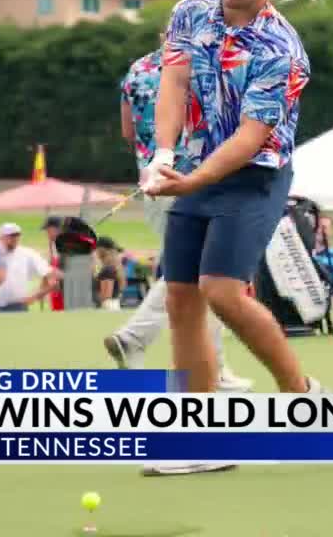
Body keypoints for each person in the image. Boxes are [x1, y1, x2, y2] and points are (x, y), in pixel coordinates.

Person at [143, 0, 323, 431]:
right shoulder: (190, 14)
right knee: (180, 296)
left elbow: (249, 139)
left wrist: (189, 181)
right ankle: (198, 433)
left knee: (220, 291)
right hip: (198, 166)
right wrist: (162, 151)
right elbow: (173, 84)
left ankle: (303, 397)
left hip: (254, 177)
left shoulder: (281, 50)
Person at [104, 42, 252, 392]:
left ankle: (213, 369)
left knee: (204, 274)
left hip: (151, 180)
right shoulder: (201, 67)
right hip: (191, 179)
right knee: (202, 271)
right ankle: (133, 337)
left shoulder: (138, 68)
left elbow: (128, 132)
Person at [0, 222, 60, 312]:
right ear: (0, 238)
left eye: (17, 235)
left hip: (17, 307)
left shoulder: (27, 254)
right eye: (10, 236)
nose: (14, 238)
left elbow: (51, 276)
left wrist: (34, 297)